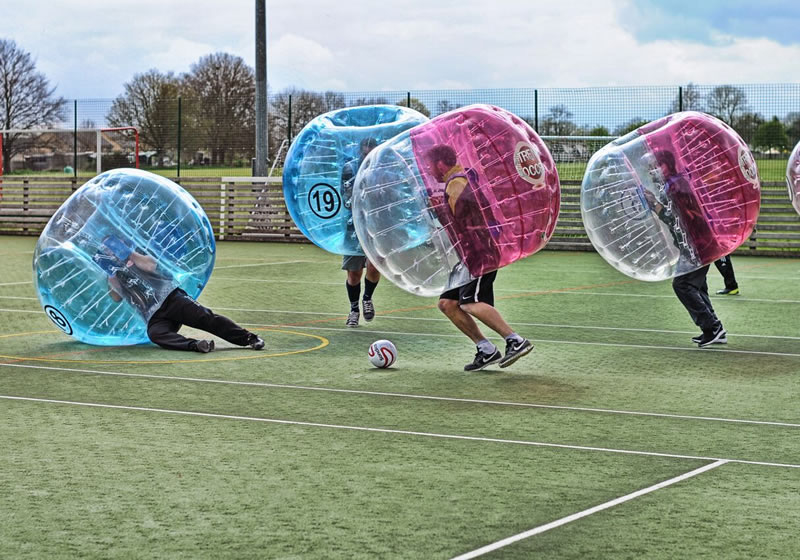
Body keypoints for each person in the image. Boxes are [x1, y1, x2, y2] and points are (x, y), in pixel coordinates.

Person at [427, 144, 532, 371]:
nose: (428, 171)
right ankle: (486, 349)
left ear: (440, 164)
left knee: (470, 302)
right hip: (469, 254)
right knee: (447, 304)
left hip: (479, 252)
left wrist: (438, 210)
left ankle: (515, 340)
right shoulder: (459, 180)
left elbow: (460, 222)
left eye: (430, 166)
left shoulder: (457, 183)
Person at [94, 235, 265, 353]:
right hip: (153, 314)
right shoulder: (113, 272)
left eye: (112, 247)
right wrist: (110, 272)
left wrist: (128, 252)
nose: (111, 251)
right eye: (107, 249)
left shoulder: (136, 254)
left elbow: (151, 266)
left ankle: (249, 338)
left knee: (206, 317)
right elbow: (116, 297)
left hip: (171, 298)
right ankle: (196, 345)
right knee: (156, 334)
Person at [644, 149, 727, 348]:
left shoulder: (675, 186)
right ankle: (714, 329)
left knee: (682, 284)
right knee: (697, 286)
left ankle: (712, 328)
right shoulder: (673, 183)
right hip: (696, 243)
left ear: (668, 165)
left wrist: (654, 204)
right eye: (650, 168)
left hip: (697, 244)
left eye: (658, 165)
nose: (654, 171)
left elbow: (674, 218)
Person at [341, 137, 380, 328]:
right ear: (361, 148)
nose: (369, 149)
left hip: (376, 226)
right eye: (366, 146)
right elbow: (344, 195)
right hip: (353, 226)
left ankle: (367, 298)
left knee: (374, 266)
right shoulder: (350, 168)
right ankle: (354, 309)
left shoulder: (381, 168)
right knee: (354, 273)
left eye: (372, 146)